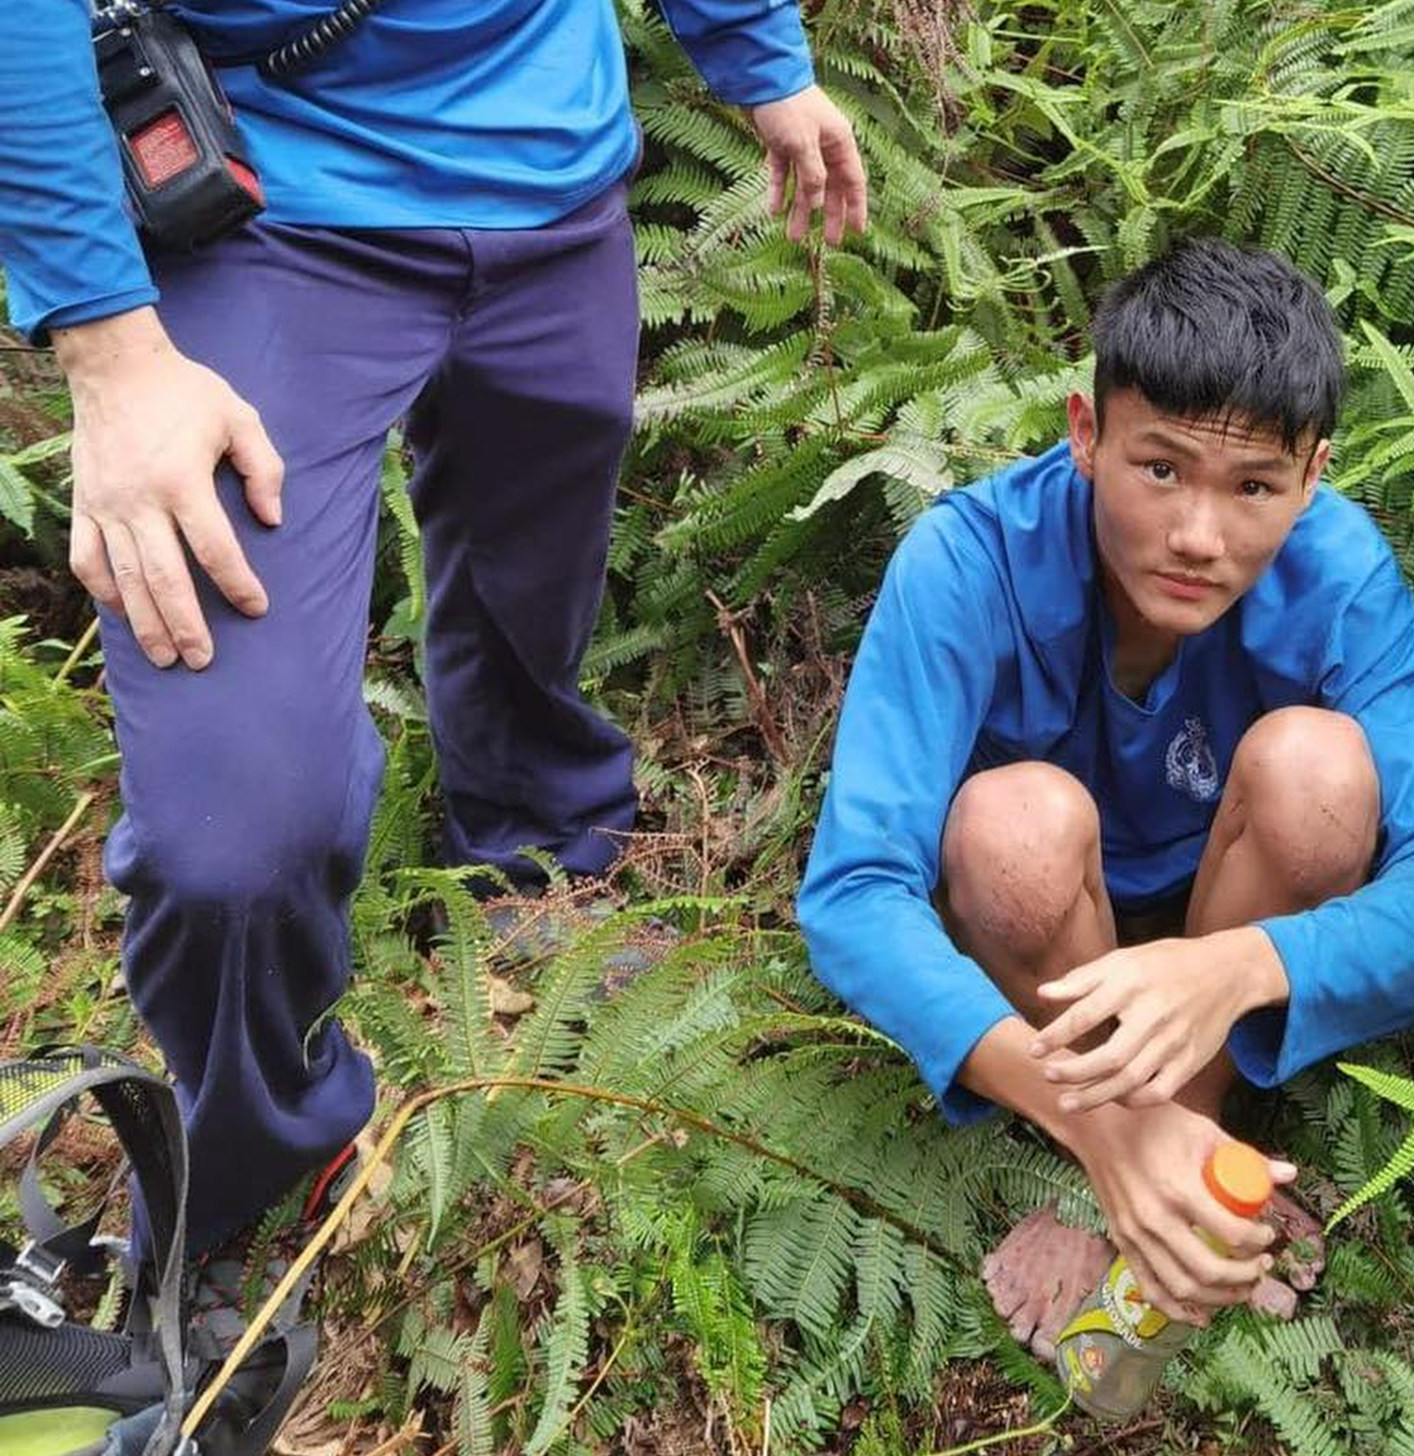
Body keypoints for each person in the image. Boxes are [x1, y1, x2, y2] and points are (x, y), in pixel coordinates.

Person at [0, 0, 865, 1398]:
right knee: (236, 840)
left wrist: (761, 65)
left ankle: (534, 842)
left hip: (559, 185)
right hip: (264, 209)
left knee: (534, 561)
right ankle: (252, 1163)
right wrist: (105, 345)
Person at [797, 237, 1414, 1356]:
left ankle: (1194, 1121)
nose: (1196, 536)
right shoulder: (964, 561)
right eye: (1159, 468)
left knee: (1319, 770)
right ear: (1086, 433)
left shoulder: (1344, 574)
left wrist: (1235, 965)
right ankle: (1124, 1155)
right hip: (1043, 930)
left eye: (1255, 487)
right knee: (1011, 823)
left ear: (1312, 475)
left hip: (1232, 898)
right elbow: (854, 891)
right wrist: (1096, 1118)